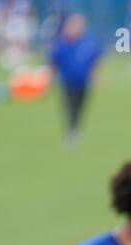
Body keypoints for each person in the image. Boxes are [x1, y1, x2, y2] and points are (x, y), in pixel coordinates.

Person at [49, 13, 100, 146]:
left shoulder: (88, 43)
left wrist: (95, 77)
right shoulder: (62, 44)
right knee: (70, 107)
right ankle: (72, 132)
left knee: (80, 106)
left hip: (83, 81)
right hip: (68, 81)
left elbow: (94, 62)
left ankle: (76, 130)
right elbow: (54, 62)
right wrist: (51, 77)